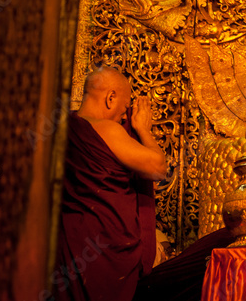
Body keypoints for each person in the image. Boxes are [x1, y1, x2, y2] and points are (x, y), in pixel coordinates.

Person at [54, 67, 167, 301]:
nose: (125, 118)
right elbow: (158, 168)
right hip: (103, 247)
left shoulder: (62, 128)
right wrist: (143, 130)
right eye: (125, 110)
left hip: (68, 243)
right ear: (111, 97)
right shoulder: (105, 128)